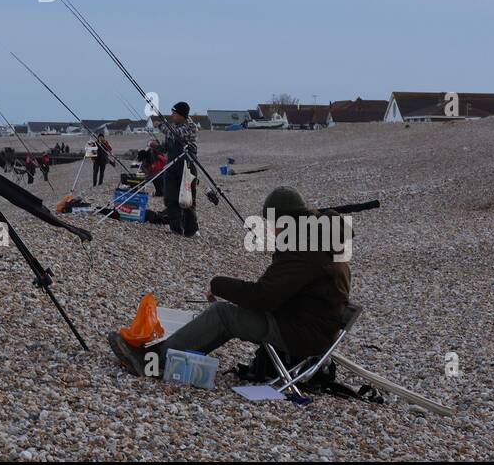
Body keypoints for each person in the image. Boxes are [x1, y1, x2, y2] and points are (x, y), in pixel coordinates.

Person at [108, 186, 350, 377]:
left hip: (301, 334)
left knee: (223, 314)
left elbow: (263, 297)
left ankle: (155, 360)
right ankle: (176, 354)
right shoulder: (319, 238)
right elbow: (278, 291)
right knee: (229, 312)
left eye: (271, 223)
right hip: (310, 326)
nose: (271, 230)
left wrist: (218, 284)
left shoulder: (305, 248)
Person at [157, 101, 199, 235]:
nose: (172, 115)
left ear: (182, 115)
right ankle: (175, 228)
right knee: (170, 198)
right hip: (171, 166)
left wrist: (160, 125)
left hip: (187, 166)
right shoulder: (173, 126)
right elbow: (167, 145)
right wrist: (155, 147)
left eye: (174, 113)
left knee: (187, 199)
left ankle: (191, 230)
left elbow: (176, 134)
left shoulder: (190, 127)